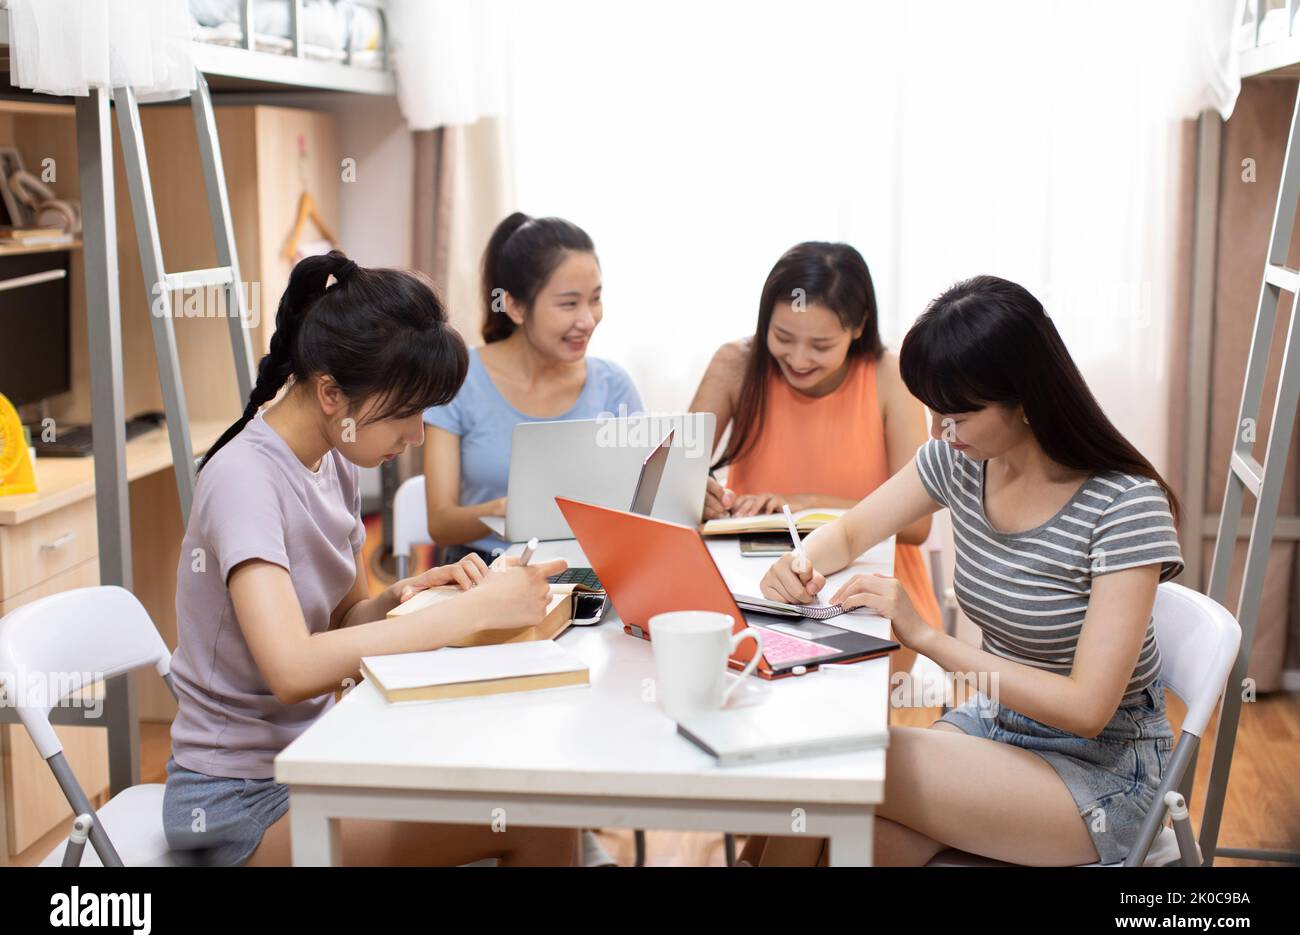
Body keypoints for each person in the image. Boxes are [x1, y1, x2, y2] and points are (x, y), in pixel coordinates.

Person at [748, 275, 1182, 866]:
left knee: (832, 759)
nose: (937, 433)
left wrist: (928, 639)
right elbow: (852, 531)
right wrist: (798, 562)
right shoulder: (963, 461)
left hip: (1100, 767)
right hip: (998, 725)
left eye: (957, 415)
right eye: (933, 411)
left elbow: (1087, 708)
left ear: (1026, 400)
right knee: (832, 841)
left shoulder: (1124, 505)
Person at [162, 251, 576, 866]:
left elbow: (345, 620)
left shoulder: (332, 460)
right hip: (237, 801)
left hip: (320, 754)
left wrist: (403, 597)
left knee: (526, 777)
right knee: (539, 821)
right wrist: (468, 615)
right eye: (406, 414)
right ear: (331, 393)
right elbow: (294, 669)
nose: (415, 437)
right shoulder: (245, 481)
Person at [689, 241, 941, 681]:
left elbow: (917, 527)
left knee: (839, 690)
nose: (799, 360)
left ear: (858, 326)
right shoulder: (736, 364)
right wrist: (696, 492)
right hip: (751, 576)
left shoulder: (888, 376)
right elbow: (675, 476)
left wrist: (805, 503)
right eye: (783, 337)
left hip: (867, 590)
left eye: (821, 345)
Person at [424, 213, 643, 563]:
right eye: (569, 304)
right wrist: (508, 510)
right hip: (479, 569)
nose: (587, 320)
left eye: (595, 299)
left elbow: (641, 504)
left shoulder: (613, 386)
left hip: (588, 566)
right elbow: (441, 523)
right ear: (514, 306)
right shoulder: (459, 377)